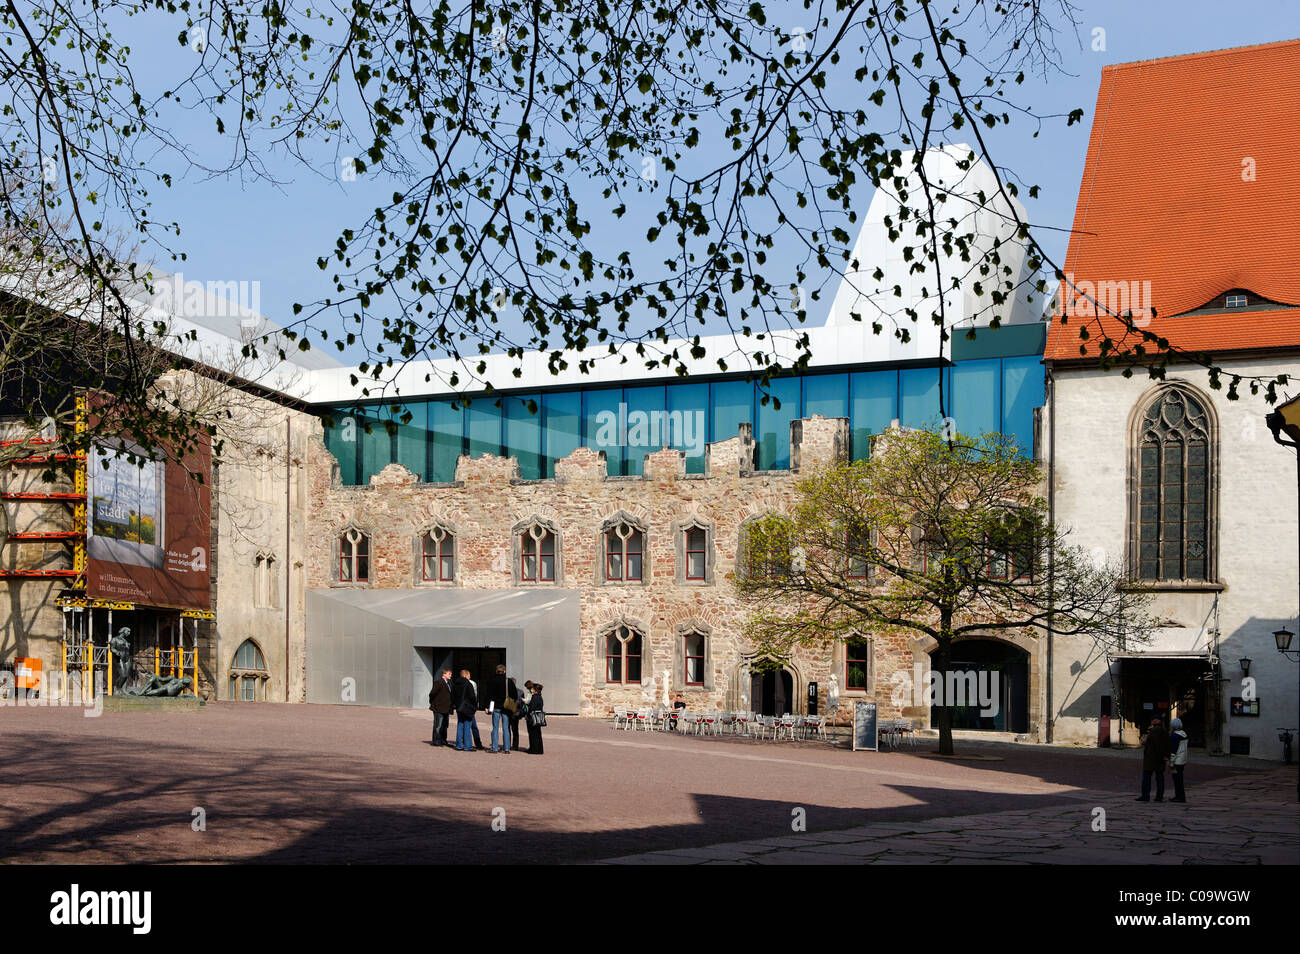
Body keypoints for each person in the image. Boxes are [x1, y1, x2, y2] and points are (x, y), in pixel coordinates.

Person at [486, 664, 517, 753]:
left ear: (496, 671)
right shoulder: (509, 681)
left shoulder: (492, 680)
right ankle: (506, 748)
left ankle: (494, 748)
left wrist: (487, 706)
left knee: (495, 727)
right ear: (504, 671)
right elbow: (514, 694)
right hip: (505, 707)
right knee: (506, 728)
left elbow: (488, 695)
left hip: (495, 706)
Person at [1137, 715, 1169, 802]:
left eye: (1152, 720)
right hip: (1158, 758)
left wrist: (1160, 756)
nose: (1151, 721)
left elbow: (1157, 745)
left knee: (1147, 777)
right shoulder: (1163, 730)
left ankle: (1145, 796)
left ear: (1156, 720)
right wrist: (1165, 755)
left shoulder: (1155, 730)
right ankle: (1159, 796)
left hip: (1152, 758)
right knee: (1159, 777)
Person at [452, 669, 479, 752]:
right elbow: (472, 696)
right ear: (466, 675)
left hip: (459, 707)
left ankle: (459, 745)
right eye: (469, 675)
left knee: (460, 725)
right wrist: (474, 706)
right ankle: (467, 746)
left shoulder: (455, 684)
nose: (470, 676)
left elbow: (453, 695)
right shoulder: (468, 684)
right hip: (467, 707)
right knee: (467, 726)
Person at [428, 668, 453, 746]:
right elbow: (432, 694)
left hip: (446, 708)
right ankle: (436, 741)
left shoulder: (448, 683)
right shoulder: (438, 682)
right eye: (449, 674)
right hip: (439, 708)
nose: (450, 676)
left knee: (445, 725)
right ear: (444, 674)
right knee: (438, 725)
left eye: (451, 674)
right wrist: (435, 703)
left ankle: (443, 740)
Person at [1168, 717, 1189, 803]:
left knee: (1177, 780)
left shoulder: (1175, 736)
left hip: (1177, 760)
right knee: (1179, 779)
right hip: (1183, 759)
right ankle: (1180, 796)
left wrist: (1171, 762)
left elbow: (1174, 750)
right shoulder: (1184, 734)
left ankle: (1179, 797)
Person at [467, 670, 487, 750]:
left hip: (463, 707)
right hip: (470, 707)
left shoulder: (458, 683)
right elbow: (474, 696)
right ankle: (477, 743)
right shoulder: (472, 683)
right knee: (473, 726)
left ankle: (464, 742)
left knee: (463, 726)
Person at [525, 681, 545, 755]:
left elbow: (531, 707)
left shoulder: (535, 697)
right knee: (538, 734)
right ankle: (539, 749)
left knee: (532, 734)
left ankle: (533, 749)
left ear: (535, 690)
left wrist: (527, 714)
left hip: (533, 717)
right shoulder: (540, 697)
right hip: (538, 716)